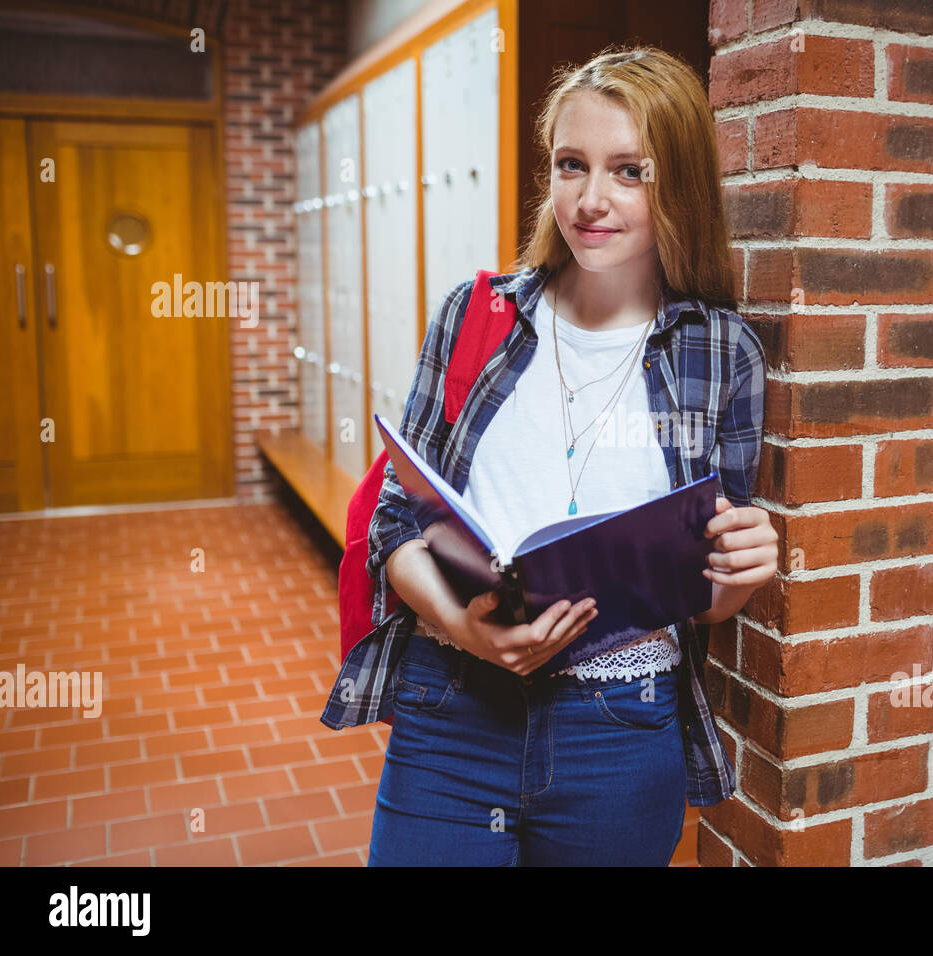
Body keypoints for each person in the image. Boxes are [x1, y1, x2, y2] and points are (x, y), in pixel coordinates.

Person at [322, 44, 777, 865]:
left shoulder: (723, 354)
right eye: (572, 165)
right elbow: (395, 523)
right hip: (452, 708)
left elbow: (702, 589)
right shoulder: (475, 314)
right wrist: (463, 625)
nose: (591, 200)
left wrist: (737, 575)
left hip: (621, 731)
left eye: (629, 172)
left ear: (678, 183)